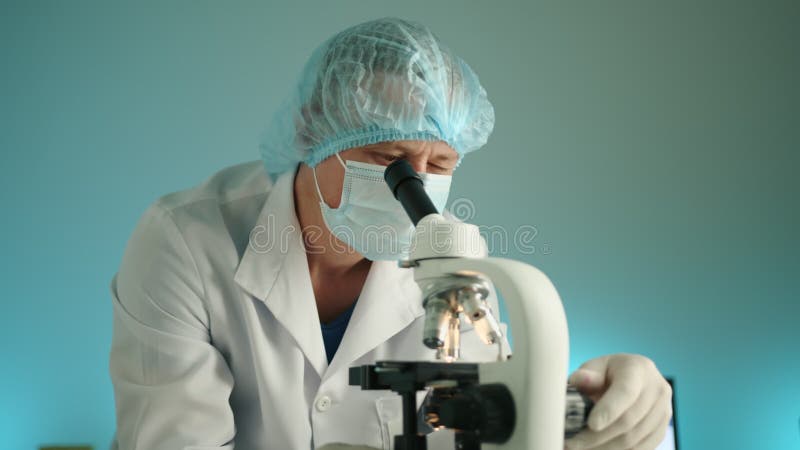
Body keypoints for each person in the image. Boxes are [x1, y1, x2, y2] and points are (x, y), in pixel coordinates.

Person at [109, 17, 672, 450]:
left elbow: (478, 426)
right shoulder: (185, 241)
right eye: (388, 157)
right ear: (312, 131)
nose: (418, 187)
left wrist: (600, 408)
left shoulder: (452, 270)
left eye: (441, 165)